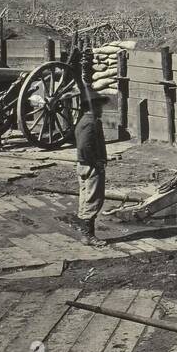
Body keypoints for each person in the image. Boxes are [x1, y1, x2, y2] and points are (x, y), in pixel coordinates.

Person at [70, 92, 108, 244]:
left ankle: (85, 232)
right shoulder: (90, 122)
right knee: (93, 199)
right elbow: (85, 146)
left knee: (86, 198)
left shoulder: (85, 120)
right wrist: (96, 162)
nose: (102, 109)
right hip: (90, 166)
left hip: (84, 164)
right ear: (93, 107)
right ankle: (88, 235)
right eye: (99, 106)